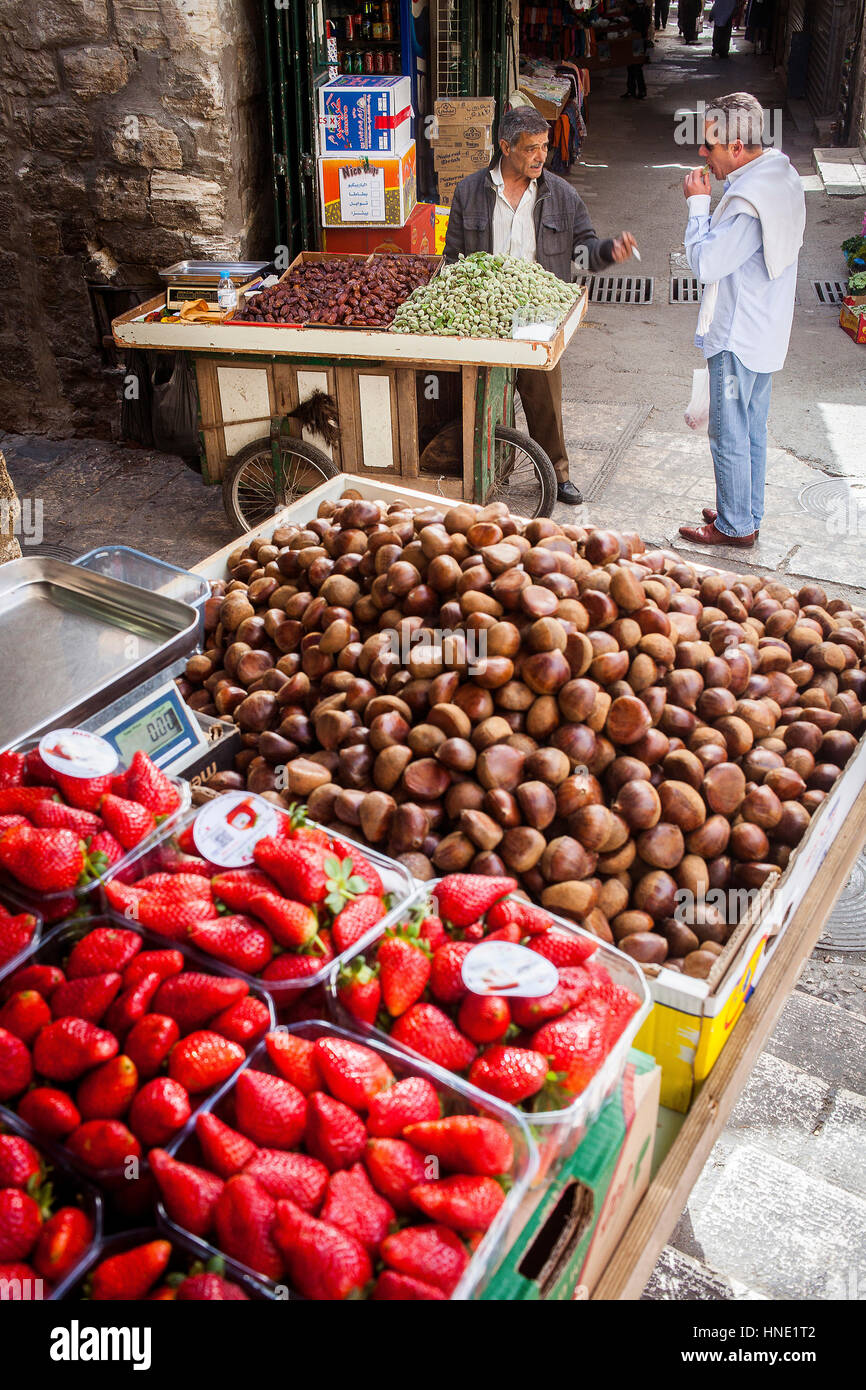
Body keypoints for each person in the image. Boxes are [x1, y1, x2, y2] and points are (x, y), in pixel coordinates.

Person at [443, 106, 637, 505]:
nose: (540, 156)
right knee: (483, 394)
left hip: (537, 314)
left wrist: (608, 252)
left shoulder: (561, 195)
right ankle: (492, 469)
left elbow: (583, 249)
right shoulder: (469, 192)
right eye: (530, 148)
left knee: (544, 396)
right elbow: (453, 258)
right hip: (485, 313)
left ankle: (557, 473)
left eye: (544, 147)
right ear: (505, 147)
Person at [678, 92, 805, 548]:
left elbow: (708, 264)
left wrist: (697, 205)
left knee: (729, 429)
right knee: (751, 425)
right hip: (766, 328)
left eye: (708, 145)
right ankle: (744, 509)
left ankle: (734, 526)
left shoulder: (750, 199)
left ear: (735, 146)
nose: (700, 153)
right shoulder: (779, 174)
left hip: (739, 332)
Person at [622, 0, 651, 100]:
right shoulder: (635, 11)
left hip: (638, 42)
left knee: (637, 66)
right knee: (630, 66)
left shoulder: (640, 13)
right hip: (634, 41)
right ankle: (631, 90)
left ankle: (641, 91)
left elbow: (642, 28)